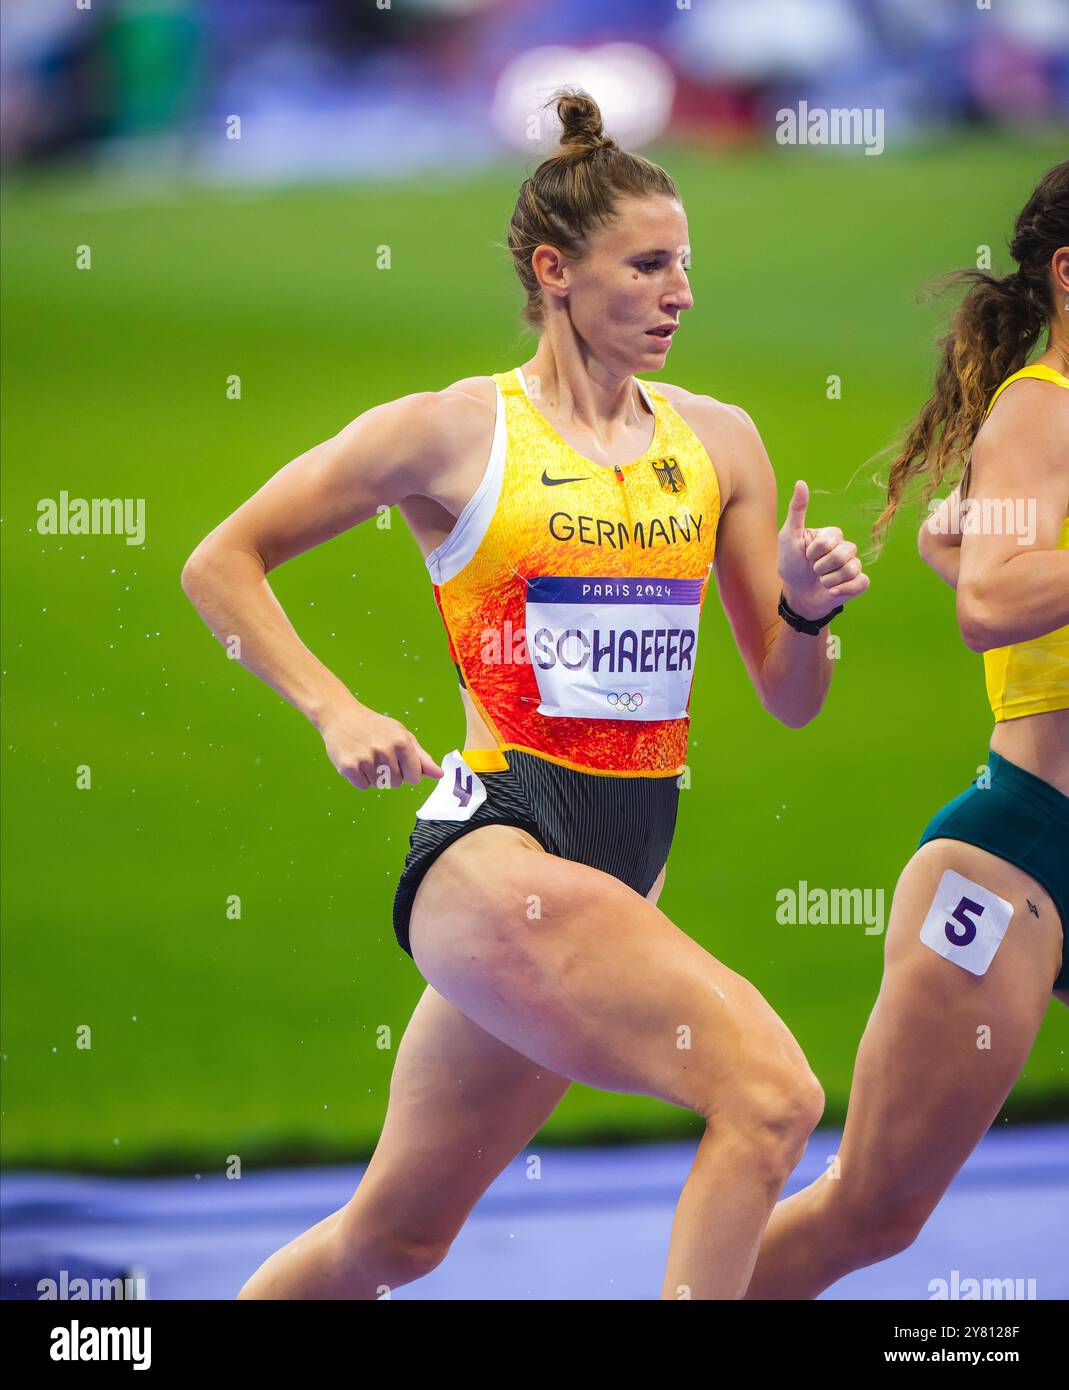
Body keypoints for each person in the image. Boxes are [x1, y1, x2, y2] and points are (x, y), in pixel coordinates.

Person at [182, 88, 869, 1301]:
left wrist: (807, 611)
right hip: (497, 847)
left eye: (686, 266)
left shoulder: (721, 442)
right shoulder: (452, 432)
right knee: (771, 1098)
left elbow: (791, 695)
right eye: (647, 265)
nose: (681, 294)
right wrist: (334, 707)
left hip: (624, 863)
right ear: (554, 270)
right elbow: (220, 560)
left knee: (393, 1241)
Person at [745, 159, 1069, 1300]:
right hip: (1021, 857)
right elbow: (992, 602)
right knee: (872, 1210)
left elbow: (989, 568)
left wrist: (966, 557)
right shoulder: (1040, 410)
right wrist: (971, 565)